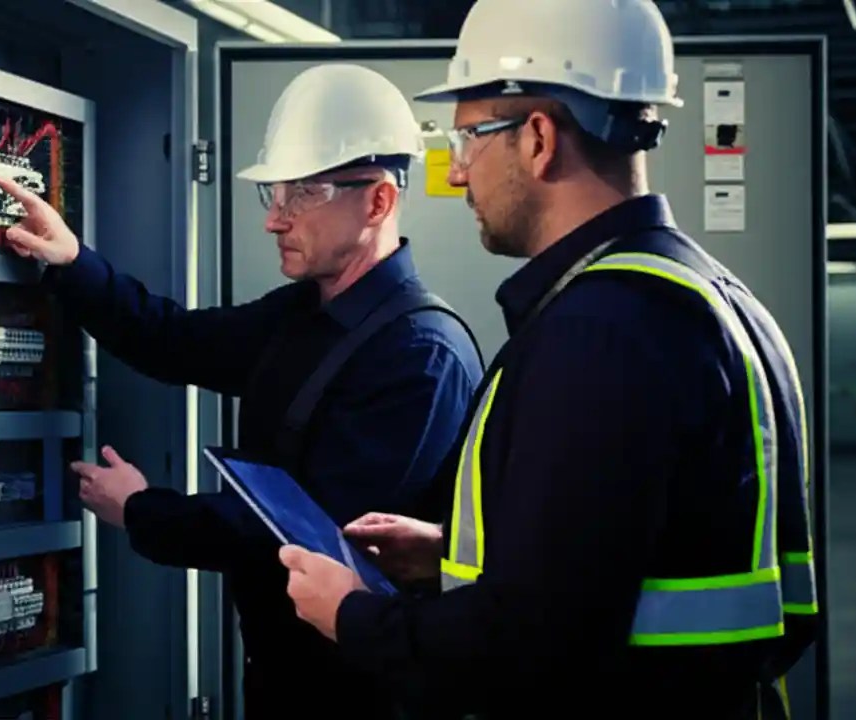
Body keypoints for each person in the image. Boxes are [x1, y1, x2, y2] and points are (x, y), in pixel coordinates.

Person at [278, 2, 820, 718]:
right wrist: (449, 558)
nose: (457, 174)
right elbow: (627, 559)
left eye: (468, 139)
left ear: (538, 138)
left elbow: (527, 646)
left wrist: (351, 614)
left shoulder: (602, 331)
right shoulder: (706, 295)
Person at [0, 63, 483, 719]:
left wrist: (141, 510)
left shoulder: (420, 355)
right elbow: (171, 339)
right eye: (273, 195)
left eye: (302, 195)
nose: (275, 221)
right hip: (283, 672)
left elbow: (310, 532)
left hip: (361, 693)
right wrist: (73, 262)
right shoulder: (301, 314)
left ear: (377, 202)